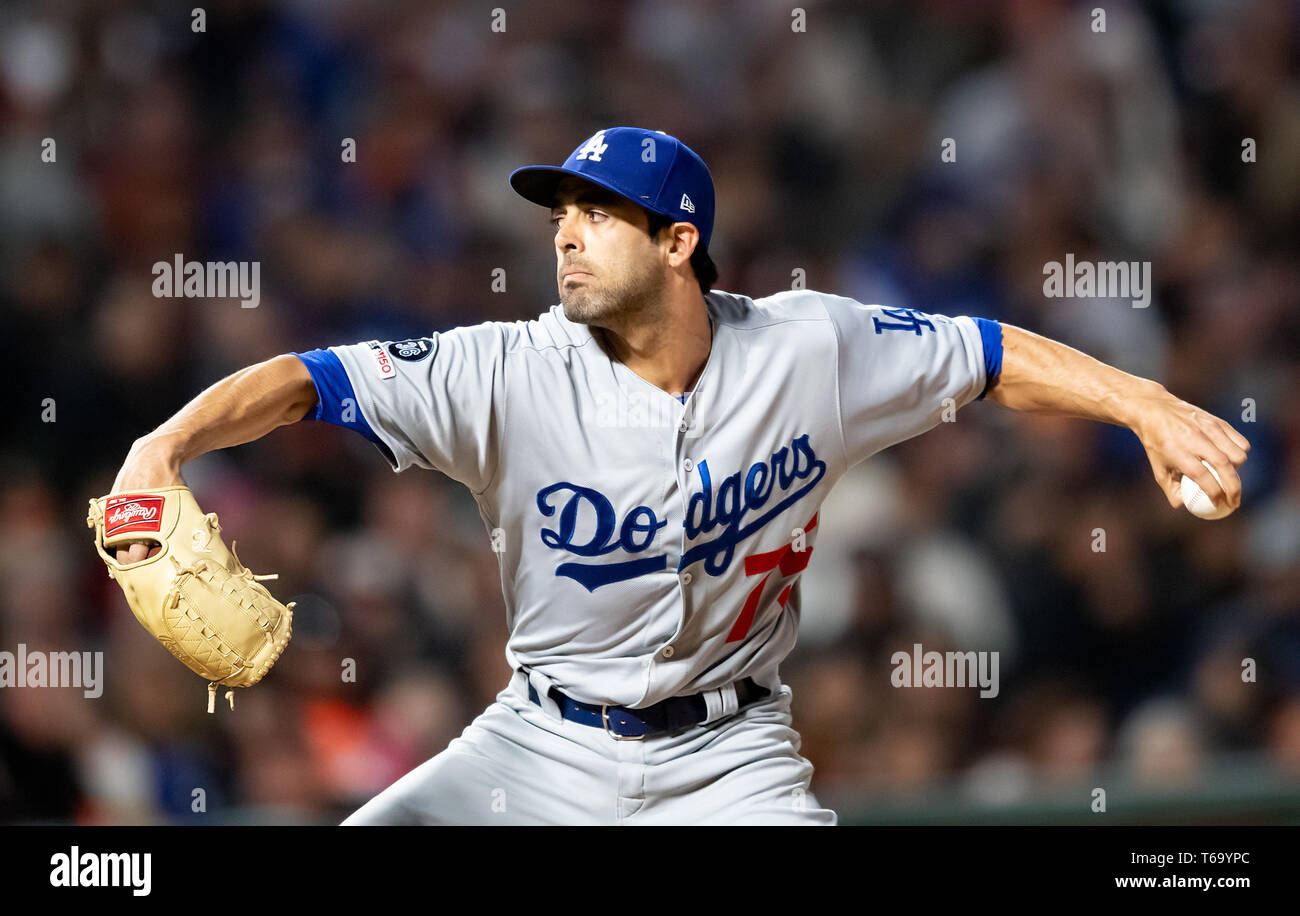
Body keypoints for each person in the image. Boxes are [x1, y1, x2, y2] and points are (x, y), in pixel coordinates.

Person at [110, 127, 1249, 825]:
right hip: (538, 744)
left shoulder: (811, 350)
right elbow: (304, 379)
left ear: (676, 242)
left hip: (728, 761)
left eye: (598, 215)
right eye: (560, 214)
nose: (565, 234)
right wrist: (161, 448)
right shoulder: (501, 368)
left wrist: (1143, 403)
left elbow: (991, 354)